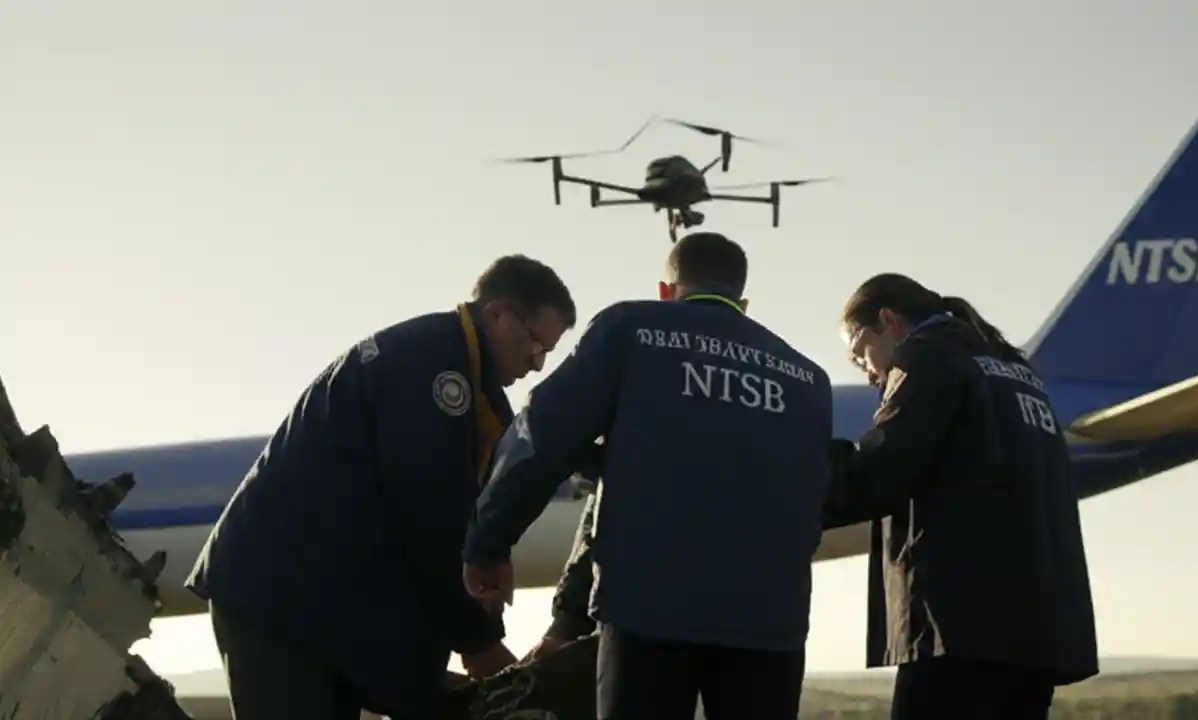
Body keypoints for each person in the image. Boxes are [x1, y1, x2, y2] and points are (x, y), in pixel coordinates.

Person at [184, 255, 577, 720]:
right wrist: (480, 643)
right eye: (535, 347)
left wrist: (486, 562)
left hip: (326, 604)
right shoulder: (433, 372)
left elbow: (455, 519)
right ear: (498, 315)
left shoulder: (457, 374)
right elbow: (432, 518)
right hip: (283, 603)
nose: (536, 366)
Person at [459, 231, 834, 720]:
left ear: (666, 290)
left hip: (649, 613)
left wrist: (488, 543)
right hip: (771, 625)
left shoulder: (632, 330)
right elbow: (815, 494)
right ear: (742, 301)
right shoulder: (806, 378)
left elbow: (542, 438)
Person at [824, 272, 1099, 719]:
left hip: (961, 630)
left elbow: (881, 474)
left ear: (889, 320)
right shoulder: (1016, 371)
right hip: (1040, 634)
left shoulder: (925, 356)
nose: (871, 374)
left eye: (861, 355)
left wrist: (794, 486)